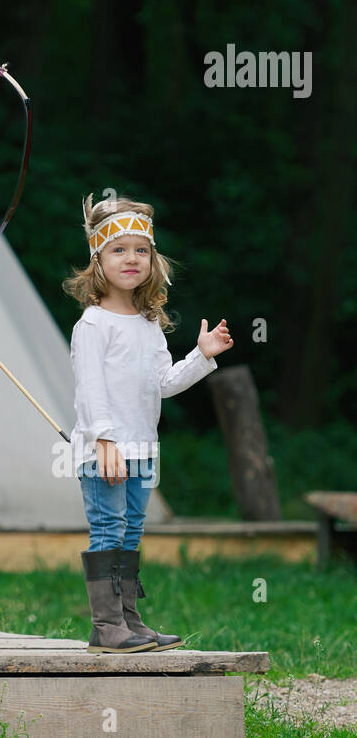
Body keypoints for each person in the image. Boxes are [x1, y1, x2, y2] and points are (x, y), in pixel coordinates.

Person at [63, 193, 234, 652]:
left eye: (141, 249)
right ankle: (105, 625)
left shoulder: (149, 323)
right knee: (108, 529)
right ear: (98, 260)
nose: (132, 259)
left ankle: (129, 621)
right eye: (119, 250)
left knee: (131, 533)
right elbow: (91, 387)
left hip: (142, 450)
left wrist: (202, 355)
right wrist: (104, 440)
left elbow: (164, 382)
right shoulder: (93, 324)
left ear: (153, 259)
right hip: (107, 449)